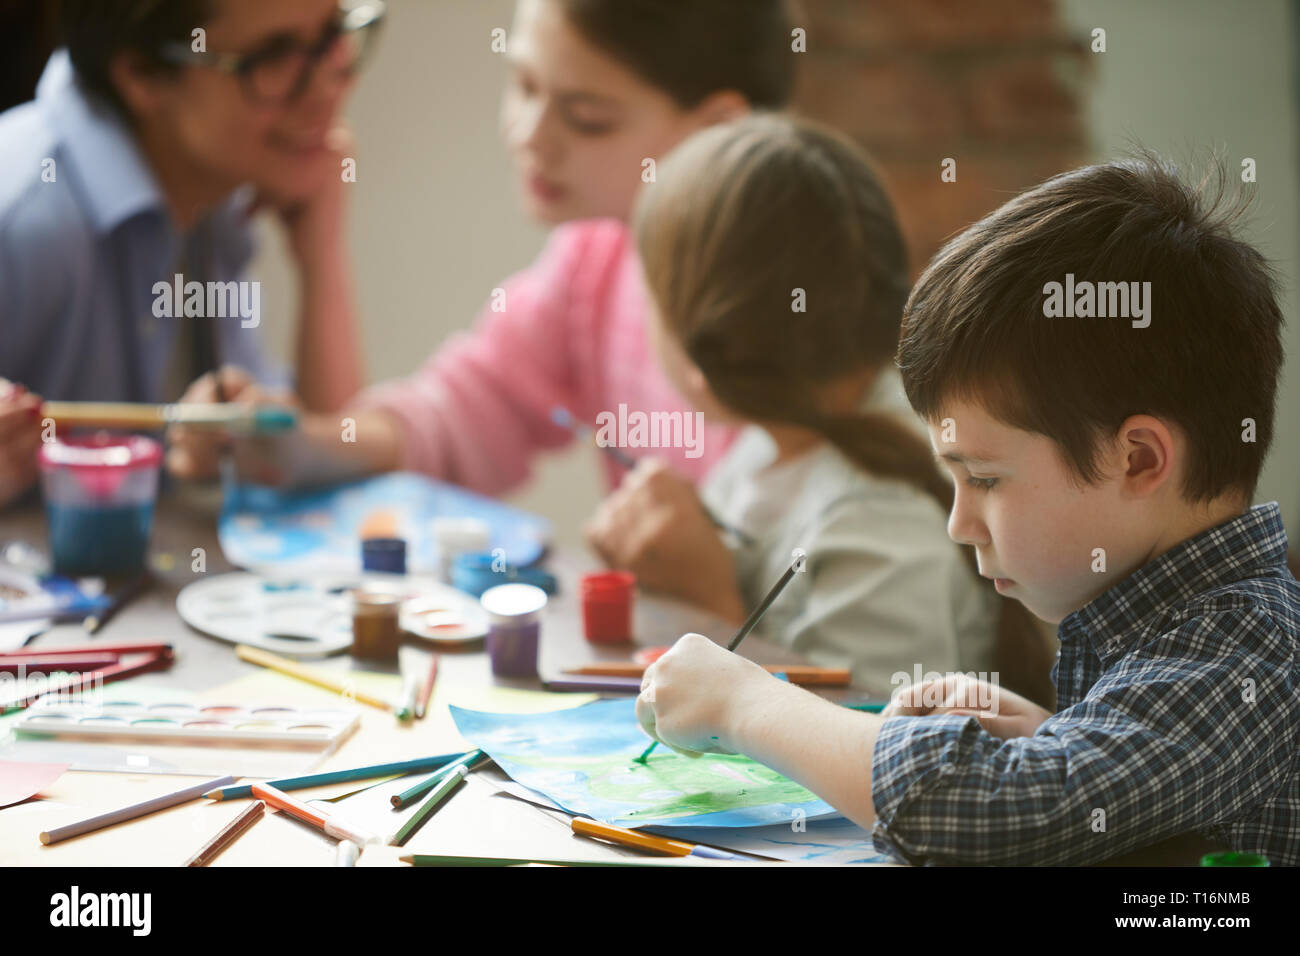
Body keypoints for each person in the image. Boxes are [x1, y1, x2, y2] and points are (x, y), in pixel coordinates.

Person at [634, 156, 1300, 866]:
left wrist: (748, 705)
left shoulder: (1246, 650)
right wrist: (1052, 739)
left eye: (984, 477)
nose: (959, 524)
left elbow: (991, 817)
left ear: (1136, 459)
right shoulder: (1184, 631)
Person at [166, 0, 795, 494]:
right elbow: (466, 411)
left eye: (586, 117)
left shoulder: (788, 307)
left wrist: (713, 583)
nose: (528, 135)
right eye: (523, 84)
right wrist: (308, 445)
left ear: (716, 130)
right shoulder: (594, 259)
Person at [584, 114, 1003, 693]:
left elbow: (877, 752)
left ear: (702, 358)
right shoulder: (765, 447)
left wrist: (710, 605)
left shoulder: (878, 523)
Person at [0, 0, 379, 506]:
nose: (328, 90)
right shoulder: (24, 216)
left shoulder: (212, 190)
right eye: (274, 56)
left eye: (331, 35)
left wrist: (321, 254)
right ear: (140, 74)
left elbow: (336, 465)